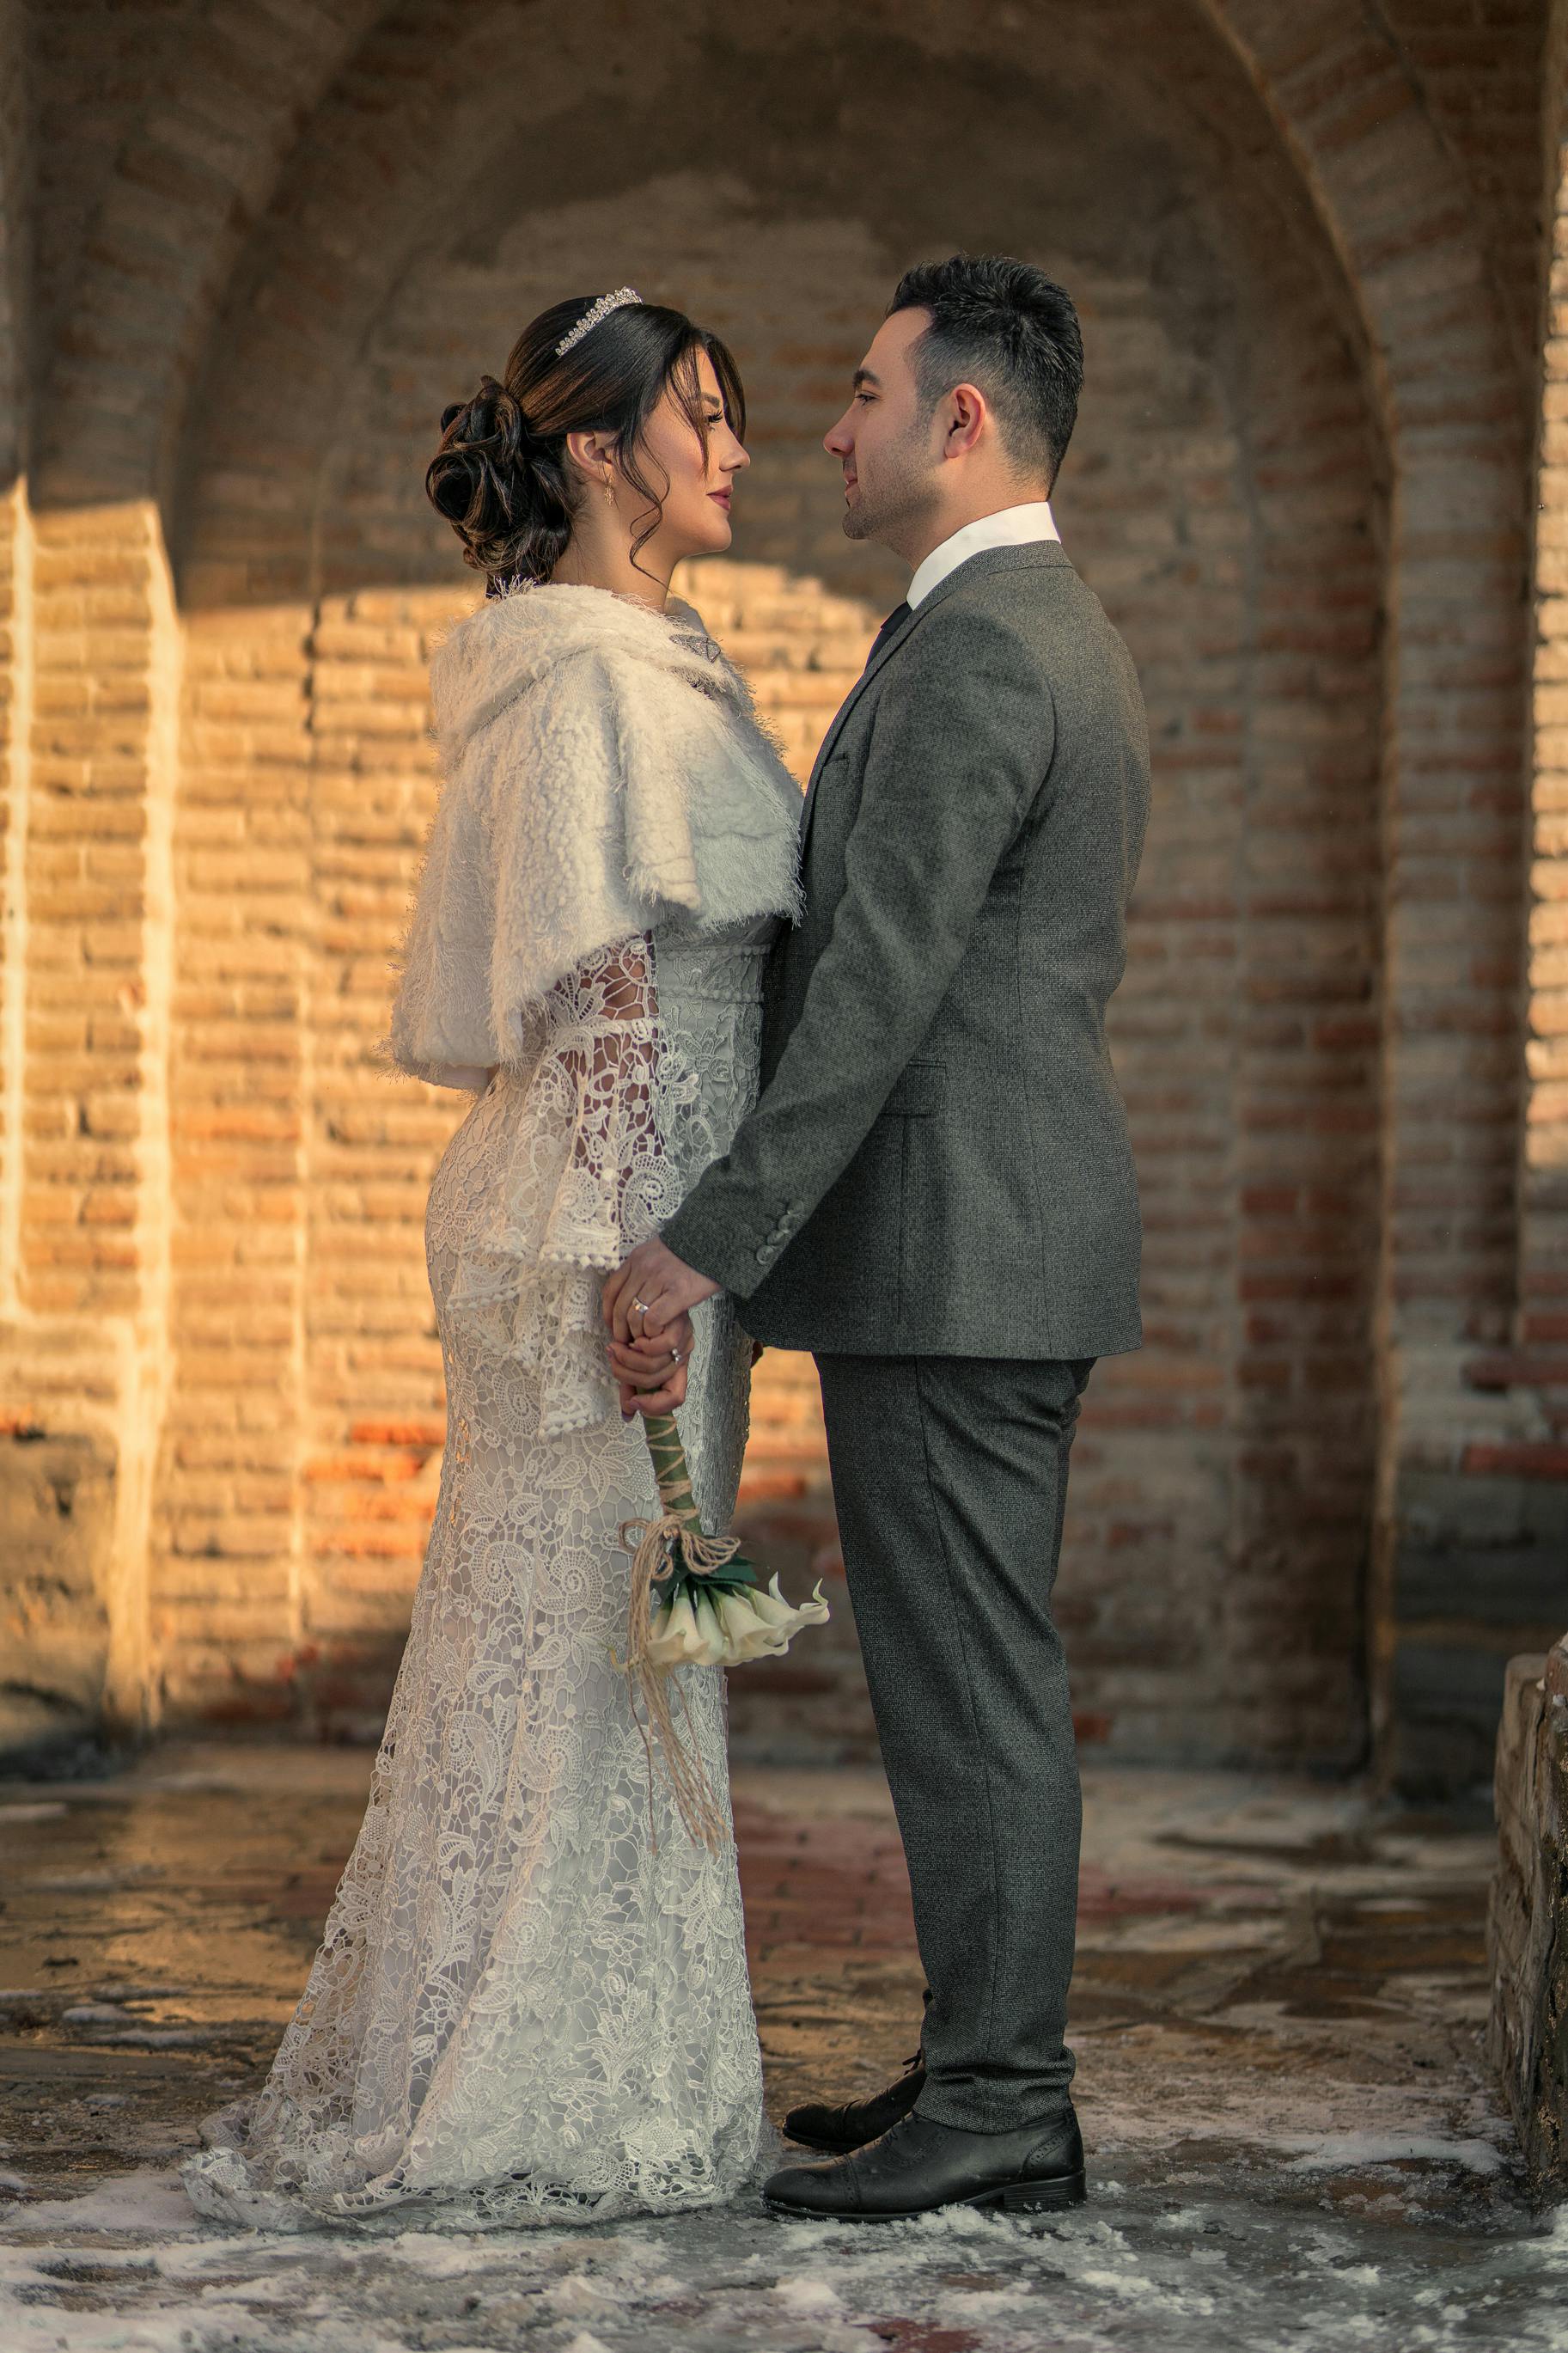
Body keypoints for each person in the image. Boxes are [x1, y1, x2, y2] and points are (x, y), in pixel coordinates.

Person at [182, 290, 803, 2229]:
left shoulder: (644, 656)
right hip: (604, 1237)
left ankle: (557, 2060)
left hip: (644, 1227)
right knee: (586, 1660)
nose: (737, 450)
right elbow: (607, 1005)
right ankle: (524, 2093)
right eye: (702, 418)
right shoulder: (593, 682)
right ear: (603, 451)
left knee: (591, 1658)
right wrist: (645, 1261)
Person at [606, 253, 1151, 2222]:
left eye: (856, 390)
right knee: (959, 1672)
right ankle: (979, 2056)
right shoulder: (1003, 626)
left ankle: (1005, 2098)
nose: (825, 428)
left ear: (964, 419)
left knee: (969, 1679)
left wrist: (707, 1237)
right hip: (970, 1244)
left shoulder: (996, 643)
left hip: (963, 1250)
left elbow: (881, 994)